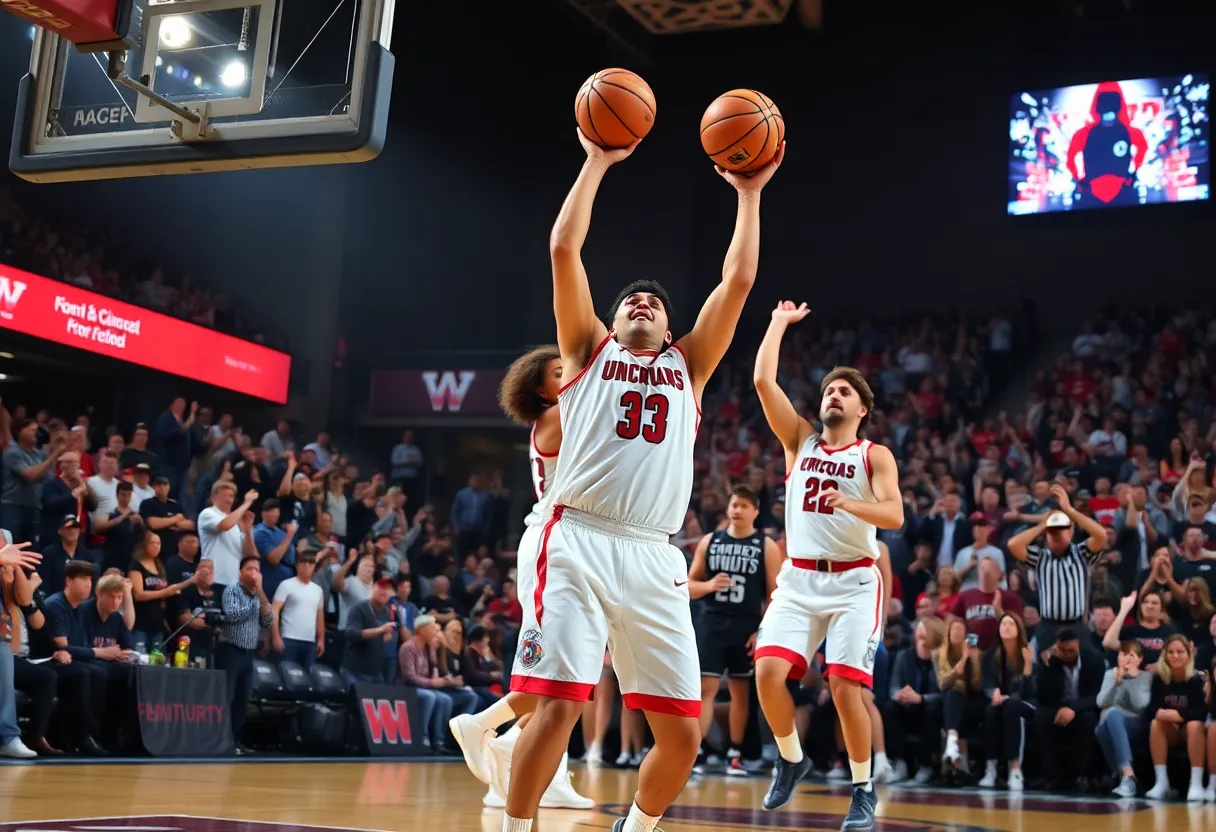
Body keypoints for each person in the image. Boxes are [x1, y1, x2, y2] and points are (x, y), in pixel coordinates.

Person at [503, 127, 783, 832]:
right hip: (577, 536)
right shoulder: (585, 351)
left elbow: (738, 281)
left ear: (668, 330)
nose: (640, 304)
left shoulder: (690, 366)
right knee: (560, 705)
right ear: (610, 319)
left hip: (654, 554)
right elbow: (564, 248)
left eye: (653, 304)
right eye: (630, 300)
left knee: (683, 735)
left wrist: (749, 194)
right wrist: (597, 161)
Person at [751, 302, 902, 831]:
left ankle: (863, 789)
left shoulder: (873, 455)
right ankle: (792, 759)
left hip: (855, 581)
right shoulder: (800, 440)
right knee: (767, 674)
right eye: (828, 391)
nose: (833, 395)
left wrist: (851, 503)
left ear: (862, 409)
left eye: (844, 391)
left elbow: (894, 515)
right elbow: (763, 381)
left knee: (843, 688)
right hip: (799, 580)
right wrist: (778, 324)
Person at [687, 484, 782, 775]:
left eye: (743, 506)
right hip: (712, 622)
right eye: (733, 505)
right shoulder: (710, 541)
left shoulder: (766, 546)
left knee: (741, 691)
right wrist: (708, 586)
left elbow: (775, 595)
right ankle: (695, 753)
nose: (737, 510)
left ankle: (735, 754)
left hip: (747, 625)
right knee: (705, 689)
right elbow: (688, 586)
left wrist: (762, 632)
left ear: (755, 512)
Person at [1007, 486, 1107, 653]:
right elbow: (1013, 544)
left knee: (1083, 664)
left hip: (1076, 626)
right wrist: (1042, 525)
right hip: (1049, 627)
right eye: (1053, 531)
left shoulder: (1081, 553)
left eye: (1062, 529)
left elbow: (1101, 535)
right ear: (1046, 535)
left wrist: (1070, 511)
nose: (1057, 534)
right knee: (1046, 667)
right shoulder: (1040, 557)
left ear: (1071, 531)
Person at [1033, 628, 1104, 791]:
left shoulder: (1094, 660)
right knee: (1041, 719)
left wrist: (1073, 708)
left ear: (1078, 645)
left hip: (1083, 706)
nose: (1066, 654)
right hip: (1056, 706)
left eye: (1071, 650)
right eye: (1062, 650)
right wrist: (1046, 667)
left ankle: (1082, 775)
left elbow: (1098, 696)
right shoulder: (1050, 661)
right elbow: (1042, 697)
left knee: (1088, 720)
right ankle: (1050, 776)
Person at [217, 555, 274, 753]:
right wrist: (254, 603)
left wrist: (261, 594)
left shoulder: (259, 595)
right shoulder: (232, 590)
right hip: (231, 650)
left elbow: (268, 622)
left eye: (257, 570)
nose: (254, 573)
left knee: (243, 699)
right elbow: (232, 616)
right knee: (226, 696)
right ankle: (220, 740)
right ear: (241, 573)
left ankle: (235, 740)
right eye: (250, 569)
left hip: (249, 653)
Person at [1144, 634, 1207, 801]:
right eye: (1170, 652)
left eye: (1180, 651)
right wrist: (1159, 713)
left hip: (1189, 730)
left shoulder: (1194, 679)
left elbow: (1201, 712)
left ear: (1188, 654)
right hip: (1169, 730)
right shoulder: (1159, 677)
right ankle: (1161, 783)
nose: (1175, 656)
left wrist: (1179, 715)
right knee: (1155, 723)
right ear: (1164, 654)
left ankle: (1196, 784)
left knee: (1195, 725)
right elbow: (1150, 709)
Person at [883, 616, 944, 784]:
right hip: (908, 707)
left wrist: (921, 698)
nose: (922, 634)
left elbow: (944, 693)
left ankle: (926, 765)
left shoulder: (941, 658)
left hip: (931, 708)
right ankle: (899, 763)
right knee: (891, 707)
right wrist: (899, 694)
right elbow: (894, 685)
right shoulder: (904, 656)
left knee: (932, 710)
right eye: (919, 630)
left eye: (926, 630)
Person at [978, 613, 1036, 791]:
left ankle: (1015, 769)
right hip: (1002, 703)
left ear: (1019, 629)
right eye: (1003, 624)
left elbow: (1031, 691)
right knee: (991, 709)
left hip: (1026, 703)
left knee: (1010, 706)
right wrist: (993, 693)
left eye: (1011, 624)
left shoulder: (1027, 652)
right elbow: (987, 682)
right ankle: (991, 768)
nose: (1006, 627)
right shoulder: (991, 654)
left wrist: (1028, 667)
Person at [1095, 640, 1152, 798]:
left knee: (1112, 713)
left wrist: (1130, 679)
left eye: (1131, 655)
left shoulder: (1146, 677)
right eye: (1123, 654)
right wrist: (1117, 682)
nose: (1126, 659)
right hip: (1114, 723)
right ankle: (1127, 775)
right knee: (1100, 729)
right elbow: (1101, 702)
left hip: (1137, 724)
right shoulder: (1111, 674)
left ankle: (1123, 775)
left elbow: (1140, 704)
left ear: (1139, 660)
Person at [271, 551, 325, 670]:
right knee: (286, 674)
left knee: (308, 677)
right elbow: (274, 611)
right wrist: (276, 636)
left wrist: (321, 639)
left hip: (310, 641)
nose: (307, 566)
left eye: (310, 563)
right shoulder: (286, 585)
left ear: (314, 566)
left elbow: (319, 617)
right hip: (289, 638)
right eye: (303, 562)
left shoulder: (318, 590)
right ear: (297, 566)